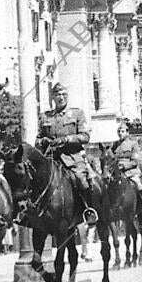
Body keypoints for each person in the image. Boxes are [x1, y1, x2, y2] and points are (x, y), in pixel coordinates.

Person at [38, 84, 99, 226]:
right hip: (51, 160)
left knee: (82, 181)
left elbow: (85, 137)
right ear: (53, 97)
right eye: (58, 94)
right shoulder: (45, 116)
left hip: (73, 159)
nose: (61, 97)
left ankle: (88, 211)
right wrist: (44, 141)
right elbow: (37, 140)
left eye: (64, 94)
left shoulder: (77, 113)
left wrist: (67, 139)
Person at [109, 120, 142, 213]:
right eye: (119, 131)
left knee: (138, 184)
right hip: (117, 172)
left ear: (127, 132)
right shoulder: (115, 144)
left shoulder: (133, 143)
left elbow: (135, 161)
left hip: (131, 172)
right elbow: (111, 158)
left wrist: (124, 166)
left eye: (122, 131)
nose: (120, 133)